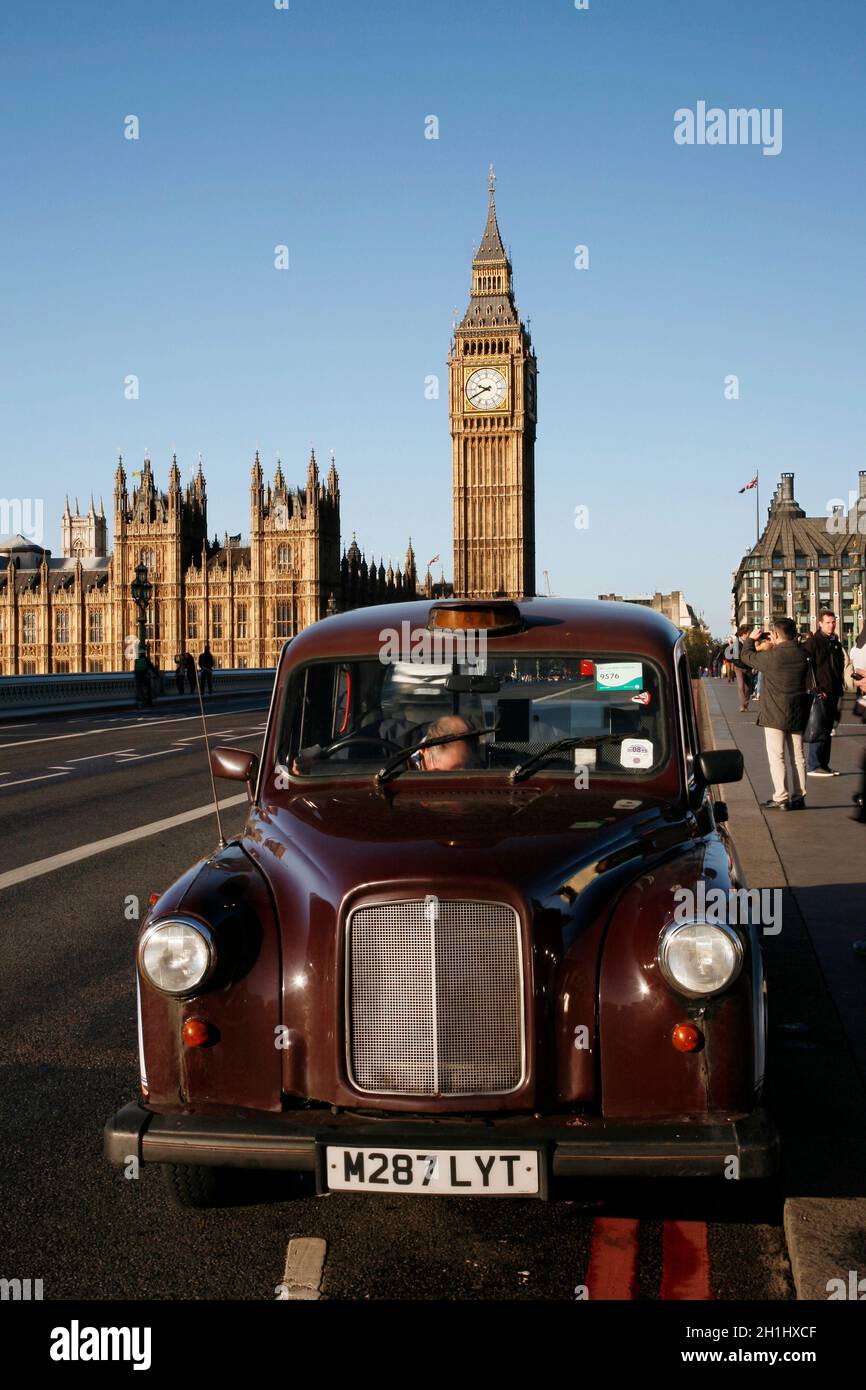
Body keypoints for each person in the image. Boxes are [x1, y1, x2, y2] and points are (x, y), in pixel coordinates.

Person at [739, 618, 810, 811]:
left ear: (776, 635)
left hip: (774, 712)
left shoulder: (773, 656)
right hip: (797, 711)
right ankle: (799, 796)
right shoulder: (802, 654)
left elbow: (746, 657)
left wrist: (751, 640)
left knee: (777, 756)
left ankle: (781, 796)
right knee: (798, 755)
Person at [802, 611, 845, 777]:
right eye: (828, 622)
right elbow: (808, 669)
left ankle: (824, 764)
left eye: (833, 622)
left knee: (827, 729)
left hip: (834, 690)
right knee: (817, 727)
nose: (831, 625)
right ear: (820, 623)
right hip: (820, 692)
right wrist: (816, 689)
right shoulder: (813, 643)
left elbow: (838, 666)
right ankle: (814, 765)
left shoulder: (835, 643)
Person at [726, 624, 753, 712]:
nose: (750, 634)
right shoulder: (737, 643)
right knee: (741, 687)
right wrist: (739, 663)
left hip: (748, 668)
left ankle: (746, 704)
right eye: (749, 632)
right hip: (739, 667)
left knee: (749, 688)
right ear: (744, 633)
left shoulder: (750, 642)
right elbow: (734, 657)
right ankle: (742, 706)